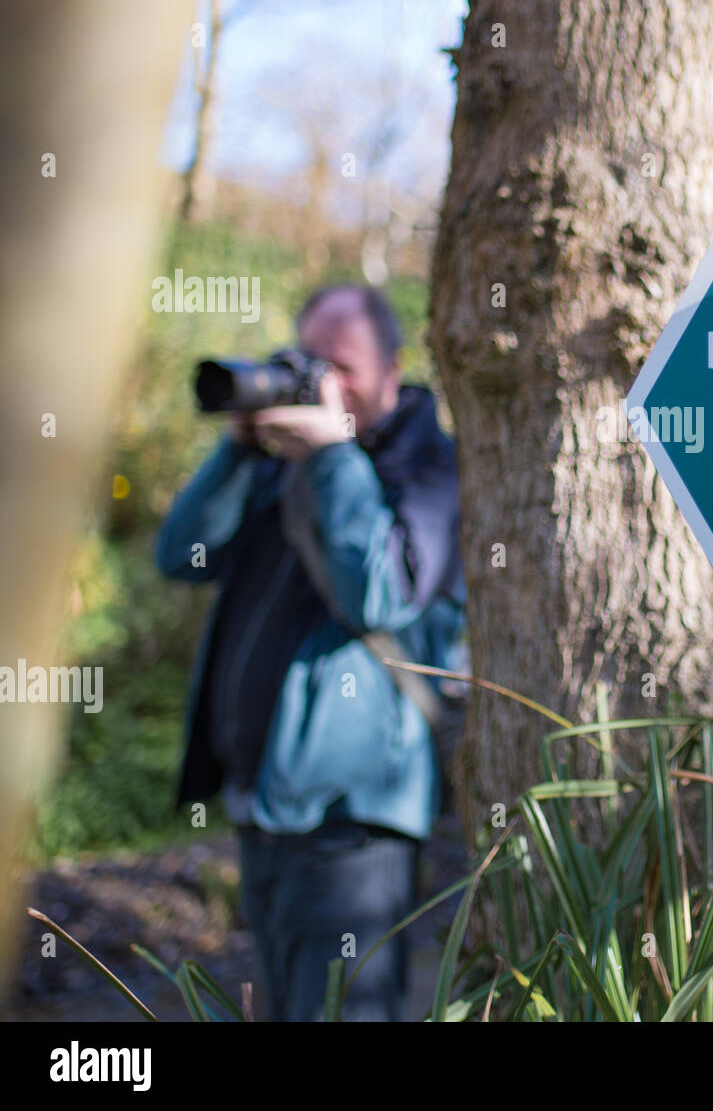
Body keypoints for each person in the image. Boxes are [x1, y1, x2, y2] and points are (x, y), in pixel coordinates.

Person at [155, 283, 465, 1021]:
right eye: (308, 360)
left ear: (393, 369)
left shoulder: (431, 468)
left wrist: (331, 456)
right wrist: (238, 449)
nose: (325, 382)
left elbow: (383, 595)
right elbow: (181, 556)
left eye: (345, 366)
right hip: (265, 806)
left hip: (355, 822)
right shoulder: (277, 461)